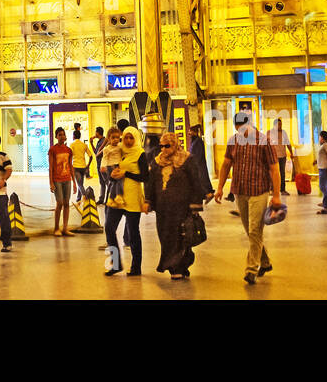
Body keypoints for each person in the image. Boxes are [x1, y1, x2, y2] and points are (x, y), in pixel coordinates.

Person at [213, 111, 281, 286]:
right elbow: (226, 164)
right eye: (238, 129)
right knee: (250, 232)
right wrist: (220, 188)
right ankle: (265, 262)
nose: (241, 133)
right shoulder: (233, 141)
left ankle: (252, 269)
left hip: (259, 191)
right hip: (240, 191)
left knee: (254, 230)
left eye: (243, 129)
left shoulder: (264, 141)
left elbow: (274, 169)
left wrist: (276, 195)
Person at [143, 131, 204, 280]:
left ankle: (178, 267)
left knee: (180, 237)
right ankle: (177, 265)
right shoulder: (157, 162)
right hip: (163, 209)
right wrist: (148, 201)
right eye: (161, 146)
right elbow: (150, 184)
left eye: (167, 146)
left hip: (181, 209)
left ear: (175, 145)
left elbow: (196, 182)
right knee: (165, 237)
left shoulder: (187, 160)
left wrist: (195, 206)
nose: (163, 149)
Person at [103, 126, 148, 276]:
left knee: (133, 233)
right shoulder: (119, 149)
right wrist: (113, 175)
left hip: (133, 198)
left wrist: (126, 173)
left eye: (131, 138)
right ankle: (115, 264)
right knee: (109, 227)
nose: (128, 141)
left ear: (136, 138)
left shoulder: (140, 153)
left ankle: (136, 267)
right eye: (126, 137)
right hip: (117, 197)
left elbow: (145, 177)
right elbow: (110, 167)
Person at [48, 127, 74, 236]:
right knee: (60, 203)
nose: (62, 136)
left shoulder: (69, 150)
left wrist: (75, 182)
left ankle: (65, 228)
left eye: (63, 134)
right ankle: (56, 228)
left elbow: (70, 165)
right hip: (57, 179)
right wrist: (51, 182)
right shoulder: (52, 150)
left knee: (67, 203)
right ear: (56, 137)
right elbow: (51, 167)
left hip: (67, 179)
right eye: (59, 134)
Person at [99, 127, 123, 208]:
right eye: (113, 138)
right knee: (115, 182)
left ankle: (113, 198)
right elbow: (104, 158)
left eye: (117, 137)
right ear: (109, 139)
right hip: (110, 166)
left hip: (118, 165)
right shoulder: (107, 149)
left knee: (118, 182)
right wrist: (102, 166)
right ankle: (117, 196)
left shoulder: (120, 146)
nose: (116, 139)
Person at [269, 118, 289, 195]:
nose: (280, 126)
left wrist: (291, 152)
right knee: (273, 173)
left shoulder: (284, 133)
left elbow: (288, 143)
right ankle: (272, 189)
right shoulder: (270, 133)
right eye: (279, 124)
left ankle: (283, 190)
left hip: (282, 156)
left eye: (281, 124)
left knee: (282, 173)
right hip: (273, 156)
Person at [70, 129, 90, 202]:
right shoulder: (84, 145)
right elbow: (90, 156)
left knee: (79, 184)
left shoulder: (72, 145)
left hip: (76, 166)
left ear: (74, 136)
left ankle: (85, 197)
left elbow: (70, 155)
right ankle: (78, 198)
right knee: (80, 183)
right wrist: (88, 165)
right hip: (83, 167)